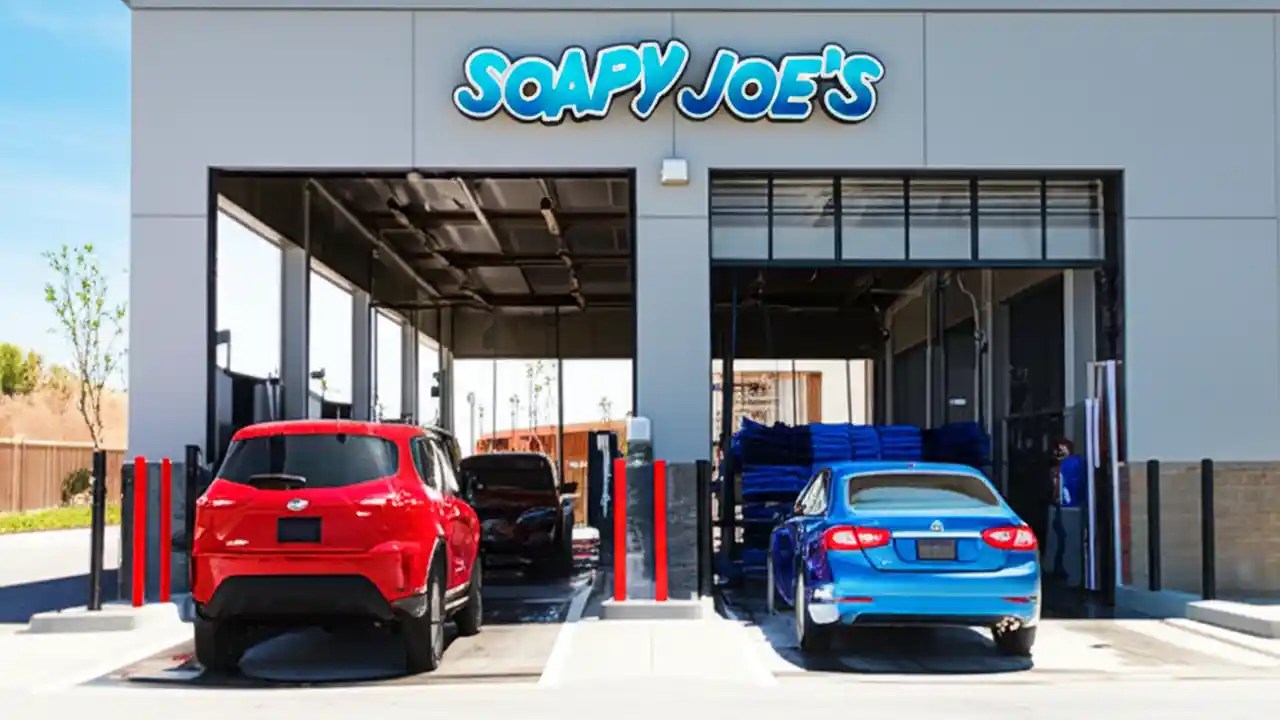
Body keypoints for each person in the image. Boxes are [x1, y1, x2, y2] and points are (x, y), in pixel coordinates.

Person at [1049, 438, 1084, 580]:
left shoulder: (1064, 467)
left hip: (1065, 506)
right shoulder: (1078, 463)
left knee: (1063, 541)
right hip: (1074, 505)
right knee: (1065, 541)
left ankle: (1063, 571)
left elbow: (1059, 488)